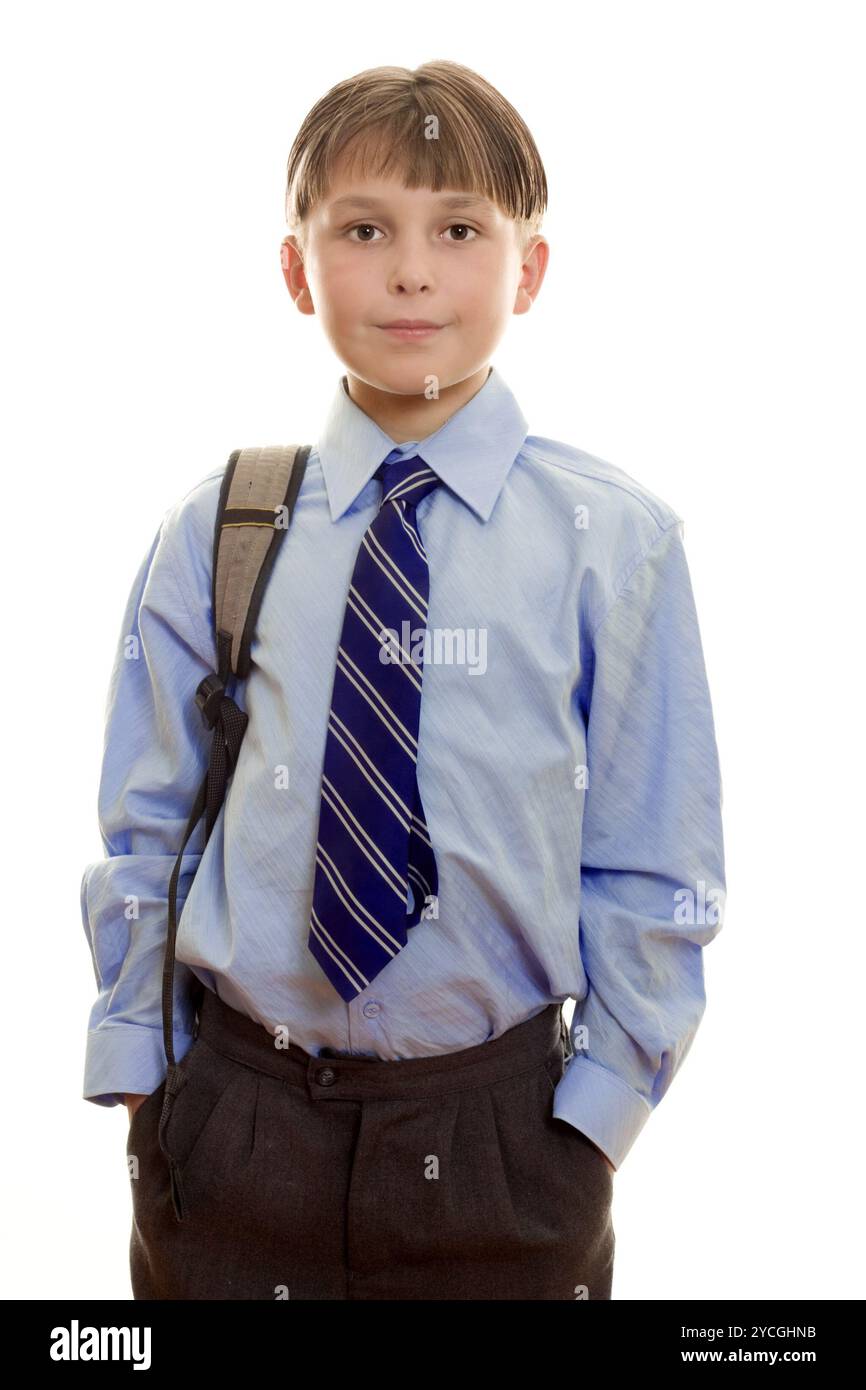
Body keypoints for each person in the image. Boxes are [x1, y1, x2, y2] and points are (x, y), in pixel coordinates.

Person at [80, 59, 726, 1301]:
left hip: (500, 1133)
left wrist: (588, 1124)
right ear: (296, 268)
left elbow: (653, 857)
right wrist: (147, 1075)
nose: (412, 271)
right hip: (232, 1123)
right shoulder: (220, 526)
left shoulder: (616, 544)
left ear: (528, 269)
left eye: (459, 230)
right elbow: (146, 818)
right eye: (364, 229)